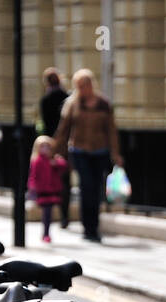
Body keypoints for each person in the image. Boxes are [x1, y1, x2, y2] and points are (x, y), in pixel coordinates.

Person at [53, 69, 122, 243]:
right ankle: (87, 228)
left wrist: (115, 153)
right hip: (79, 150)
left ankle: (94, 227)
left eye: (86, 84)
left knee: (96, 189)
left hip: (100, 151)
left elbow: (111, 131)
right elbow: (64, 129)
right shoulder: (73, 104)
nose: (84, 88)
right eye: (80, 85)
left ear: (92, 84)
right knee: (86, 187)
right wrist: (55, 150)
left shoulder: (103, 104)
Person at [39, 68, 72, 228]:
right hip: (65, 144)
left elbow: (44, 124)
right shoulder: (67, 98)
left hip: (51, 145)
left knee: (50, 181)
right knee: (65, 181)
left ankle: (49, 218)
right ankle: (64, 216)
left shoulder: (45, 100)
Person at [27, 136, 68, 243]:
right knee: (46, 212)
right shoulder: (37, 161)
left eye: (47, 147)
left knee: (49, 212)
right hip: (42, 191)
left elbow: (64, 166)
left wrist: (57, 162)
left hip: (52, 190)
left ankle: (47, 233)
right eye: (43, 147)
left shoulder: (53, 160)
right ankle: (45, 233)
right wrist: (32, 188)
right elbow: (33, 176)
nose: (45, 149)